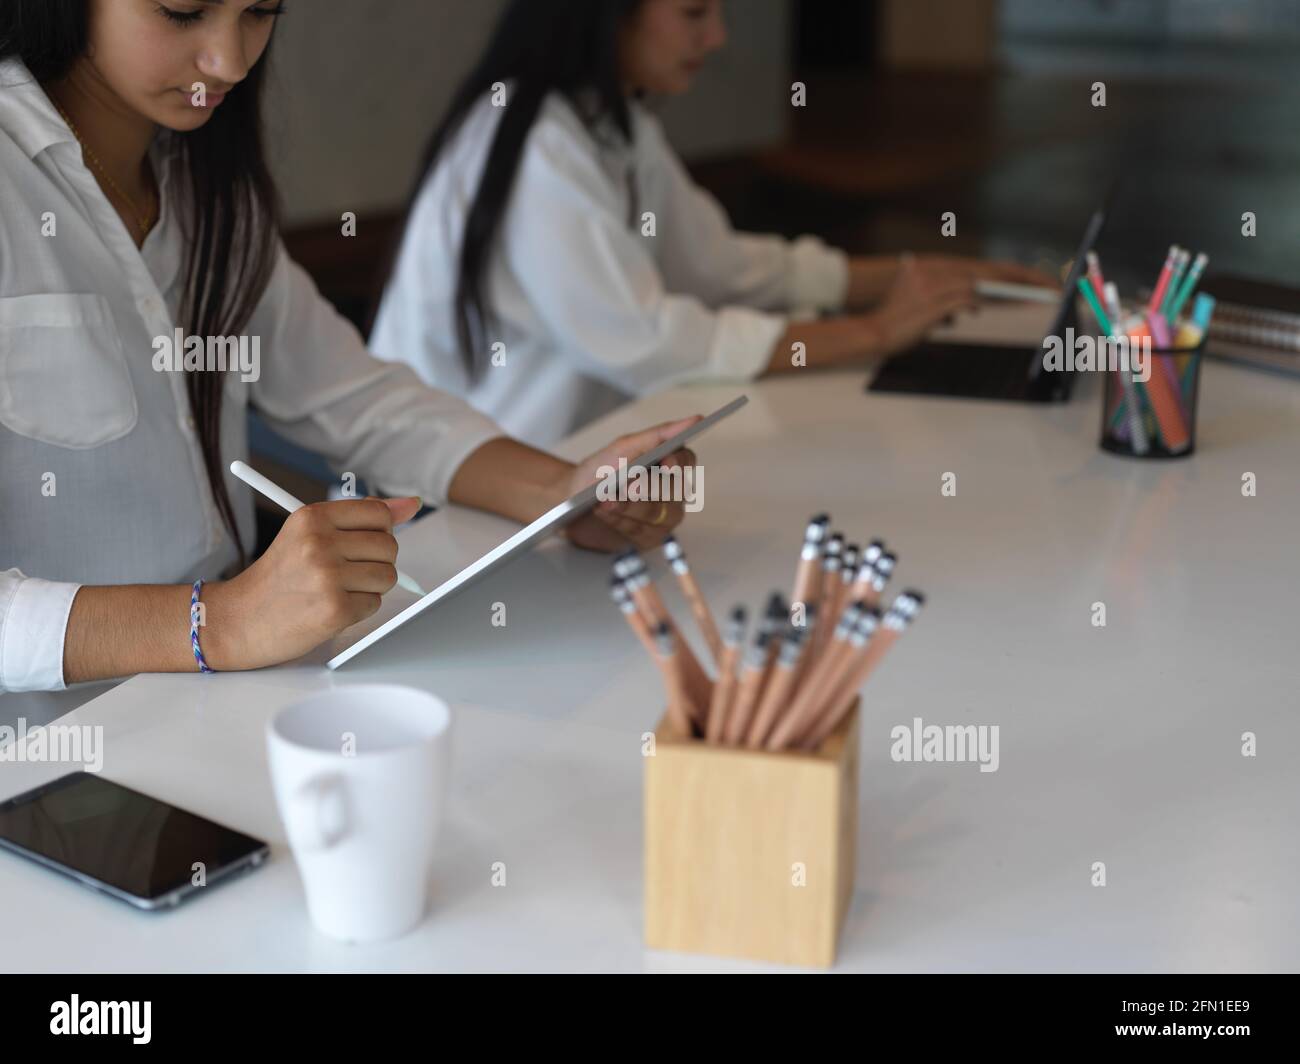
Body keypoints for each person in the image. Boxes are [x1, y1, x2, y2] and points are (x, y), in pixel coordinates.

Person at [0, 0, 698, 724]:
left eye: (260, 13)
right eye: (183, 12)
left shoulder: (202, 182)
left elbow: (354, 397)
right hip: (40, 762)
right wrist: (221, 620)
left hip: (208, 714)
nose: (230, 61)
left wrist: (565, 495)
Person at [370, 0, 1052, 447]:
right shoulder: (530, 143)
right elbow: (648, 341)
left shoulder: (611, 123)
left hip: (564, 461)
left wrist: (916, 275)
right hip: (456, 497)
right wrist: (873, 332)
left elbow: (723, 267)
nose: (717, 36)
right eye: (695, 11)